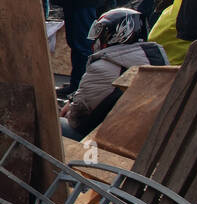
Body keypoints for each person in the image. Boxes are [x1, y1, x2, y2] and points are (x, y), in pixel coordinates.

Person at [59, 8, 168, 139]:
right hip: (145, 137)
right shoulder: (159, 62)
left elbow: (78, 117)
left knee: (53, 124)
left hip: (106, 137)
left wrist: (70, 107)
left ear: (118, 34)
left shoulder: (102, 67)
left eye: (102, 32)